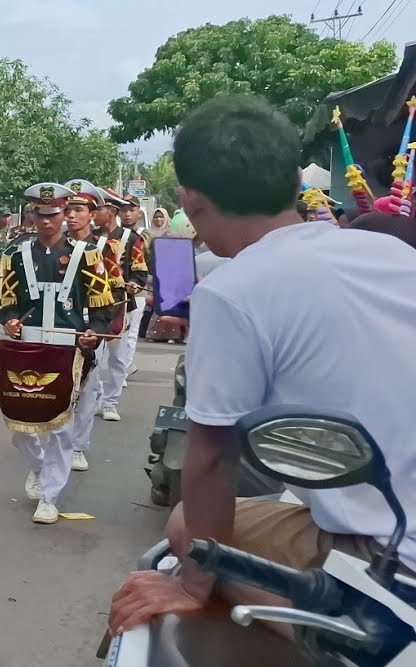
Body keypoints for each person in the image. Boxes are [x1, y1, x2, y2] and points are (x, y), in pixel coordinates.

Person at [109, 94, 416, 635]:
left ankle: (340, 638)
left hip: (390, 554)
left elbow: (209, 460)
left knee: (184, 527)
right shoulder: (392, 254)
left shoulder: (233, 290)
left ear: (192, 201)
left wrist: (192, 585)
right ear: (296, 182)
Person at [0, 182, 114, 524]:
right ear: (32, 215)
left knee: (62, 427)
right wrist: (9, 320)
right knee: (22, 426)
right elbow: (5, 301)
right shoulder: (15, 254)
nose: (47, 221)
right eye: (40, 214)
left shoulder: (86, 254)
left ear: (63, 214)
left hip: (68, 348)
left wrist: (94, 333)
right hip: (27, 348)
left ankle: (50, 495)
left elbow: (101, 303)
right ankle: (39, 466)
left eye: (53, 214)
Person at [60, 179, 122, 473]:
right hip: (59, 323)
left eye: (78, 209)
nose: (72, 215)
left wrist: (104, 326)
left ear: (92, 213)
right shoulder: (53, 244)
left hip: (90, 323)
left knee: (87, 387)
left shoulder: (104, 247)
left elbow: (116, 289)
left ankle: (78, 445)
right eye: (68, 209)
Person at [94, 190, 150, 423]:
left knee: (117, 358)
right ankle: (93, 398)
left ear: (112, 212)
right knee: (93, 357)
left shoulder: (130, 238)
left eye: (100, 209)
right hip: (93, 306)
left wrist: (135, 284)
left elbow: (139, 270)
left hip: (120, 305)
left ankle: (110, 402)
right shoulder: (89, 238)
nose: (95, 214)